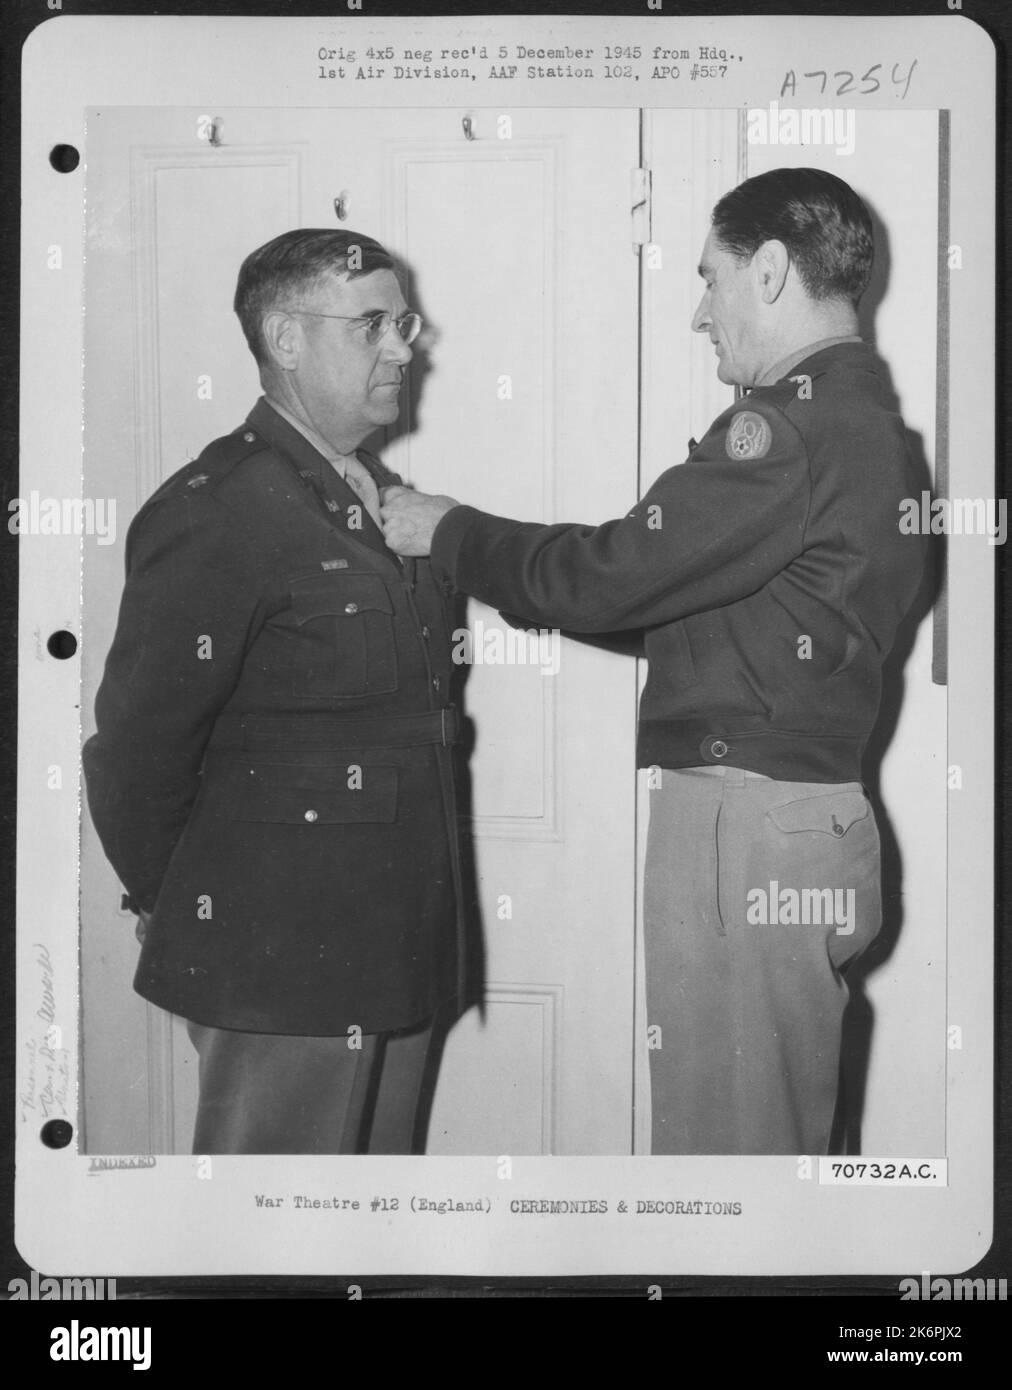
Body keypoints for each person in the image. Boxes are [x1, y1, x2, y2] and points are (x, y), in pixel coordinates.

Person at [380, 168, 928, 1155]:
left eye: (709, 278)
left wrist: (448, 531)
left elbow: (614, 574)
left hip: (743, 830)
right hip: (817, 818)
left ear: (768, 271)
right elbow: (694, 600)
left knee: (730, 1167)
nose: (698, 312)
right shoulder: (878, 437)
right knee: (780, 1149)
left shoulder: (784, 430)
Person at [83, 229, 466, 1155]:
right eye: (373, 322)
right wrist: (171, 903)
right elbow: (137, 746)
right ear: (286, 339)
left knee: (369, 1240)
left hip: (395, 947)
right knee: (272, 1249)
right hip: (278, 962)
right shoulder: (218, 507)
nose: (404, 347)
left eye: (403, 321)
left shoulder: (376, 497)